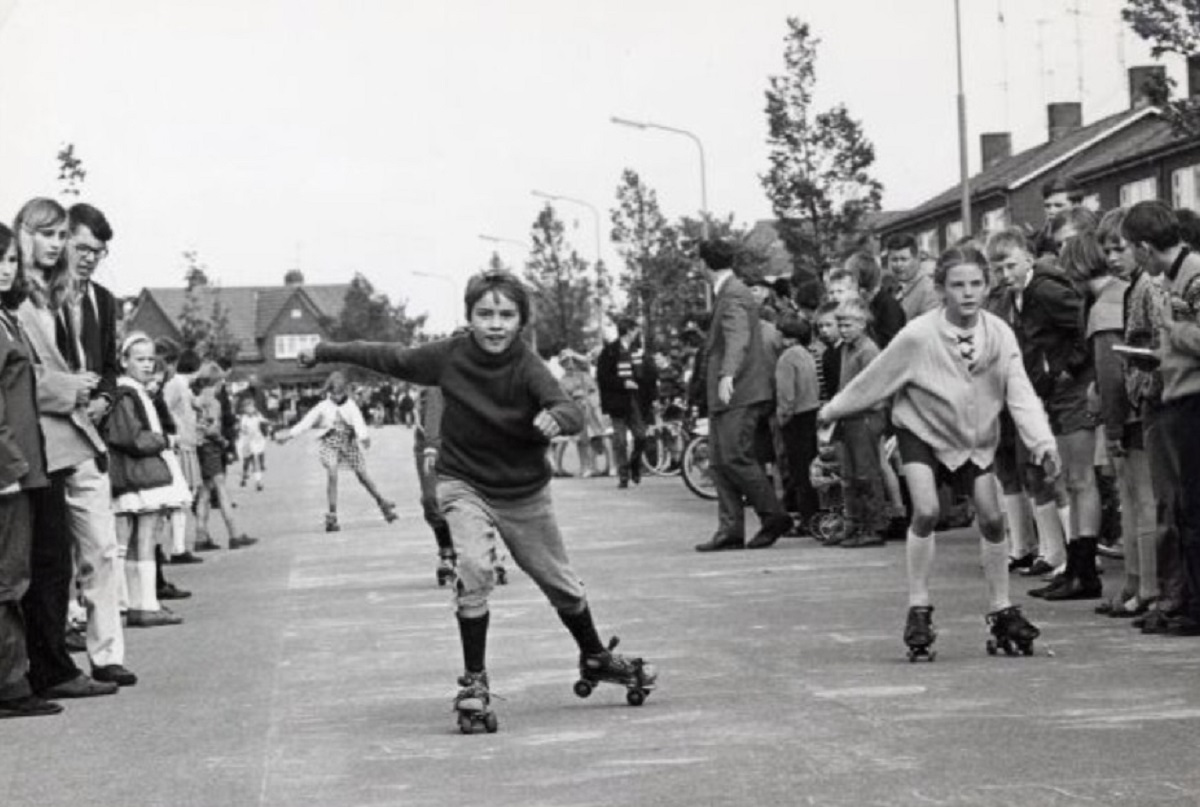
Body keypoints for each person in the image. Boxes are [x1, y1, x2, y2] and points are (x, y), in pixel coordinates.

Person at [296, 269, 656, 733]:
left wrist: (557, 418)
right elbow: (387, 355)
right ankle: (474, 681)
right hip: (463, 482)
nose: (495, 324)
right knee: (474, 567)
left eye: (506, 315)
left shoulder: (527, 365)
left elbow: (566, 406)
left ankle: (595, 656)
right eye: (485, 314)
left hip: (523, 491)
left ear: (521, 321)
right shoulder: (449, 356)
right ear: (469, 317)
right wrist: (325, 351)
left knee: (560, 582)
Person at [819, 245, 1061, 658]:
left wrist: (1042, 442)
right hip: (921, 428)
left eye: (976, 284)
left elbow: (1019, 391)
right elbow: (875, 379)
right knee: (927, 510)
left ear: (987, 286)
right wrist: (832, 411)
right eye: (957, 285)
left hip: (973, 434)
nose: (967, 293)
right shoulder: (918, 334)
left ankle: (1001, 607)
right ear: (941, 289)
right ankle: (919, 606)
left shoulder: (999, 333)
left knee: (991, 517)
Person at [15, 198, 128, 696]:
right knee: (48, 556)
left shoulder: (95, 299)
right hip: (43, 436)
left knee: (98, 548)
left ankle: (105, 656)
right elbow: (22, 373)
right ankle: (49, 661)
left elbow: (107, 367)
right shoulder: (22, 296)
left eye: (92, 250)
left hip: (83, 434)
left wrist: (103, 397)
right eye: (65, 240)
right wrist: (69, 389)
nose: (83, 256)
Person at [1123, 201, 1200, 635]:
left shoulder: (1194, 276)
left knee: (1193, 509)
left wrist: (1173, 330)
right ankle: (1186, 600)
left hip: (1194, 400)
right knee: (1184, 508)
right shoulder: (1177, 275)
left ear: (1145, 248)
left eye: (1131, 249)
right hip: (1180, 395)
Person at [0, 222, 63, 718]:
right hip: (8, 471)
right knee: (8, 578)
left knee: (14, 575)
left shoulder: (6, 318)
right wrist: (12, 466)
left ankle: (15, 679)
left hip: (20, 465)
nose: (5, 270)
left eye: (9, 260)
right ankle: (10, 686)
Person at [692, 239, 792, 552]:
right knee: (720, 460)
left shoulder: (733, 293)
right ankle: (730, 529)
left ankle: (773, 516)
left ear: (703, 263)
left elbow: (738, 338)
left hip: (739, 390)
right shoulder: (730, 290)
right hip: (731, 392)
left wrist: (727, 374)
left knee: (734, 456)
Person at [104, 333, 189, 628]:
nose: (148, 365)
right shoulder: (127, 393)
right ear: (124, 361)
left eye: (151, 359)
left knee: (135, 539)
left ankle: (134, 602)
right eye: (140, 359)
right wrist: (165, 440)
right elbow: (131, 437)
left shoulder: (131, 391)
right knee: (144, 537)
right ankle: (145, 604)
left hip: (135, 471)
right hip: (140, 471)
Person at [276, 371, 397, 532]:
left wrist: (364, 437)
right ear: (329, 391)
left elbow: (358, 421)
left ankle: (382, 502)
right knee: (332, 473)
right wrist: (289, 435)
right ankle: (332, 514)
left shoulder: (351, 405)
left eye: (340, 393)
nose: (337, 397)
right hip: (330, 444)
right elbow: (306, 422)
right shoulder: (323, 406)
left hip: (348, 444)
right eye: (334, 393)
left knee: (363, 475)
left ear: (345, 391)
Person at [192, 363, 256, 550]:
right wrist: (224, 441)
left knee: (204, 492)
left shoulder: (196, 400)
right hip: (212, 448)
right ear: (217, 382)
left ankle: (200, 535)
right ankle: (234, 534)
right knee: (222, 491)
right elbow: (212, 428)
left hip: (199, 448)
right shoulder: (214, 402)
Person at [157, 341, 204, 564]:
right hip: (180, 445)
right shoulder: (175, 384)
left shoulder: (180, 385)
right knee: (180, 498)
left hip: (186, 443)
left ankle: (176, 546)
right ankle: (175, 547)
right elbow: (164, 409)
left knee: (184, 497)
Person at [597, 317, 656, 489]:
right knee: (620, 440)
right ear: (629, 331)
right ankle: (623, 475)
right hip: (618, 402)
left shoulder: (638, 351)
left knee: (641, 437)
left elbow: (648, 375)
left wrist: (652, 367)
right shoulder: (609, 351)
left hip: (636, 400)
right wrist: (623, 383)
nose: (637, 333)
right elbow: (603, 378)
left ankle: (634, 464)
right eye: (635, 329)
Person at [775, 315, 820, 532]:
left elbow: (787, 396)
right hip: (812, 412)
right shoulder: (807, 355)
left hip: (796, 417)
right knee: (809, 469)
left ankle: (807, 519)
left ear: (789, 338)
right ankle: (813, 515)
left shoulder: (786, 359)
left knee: (799, 471)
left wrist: (782, 418)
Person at [885, 234, 941, 320]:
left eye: (904, 259)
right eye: (894, 260)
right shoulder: (889, 287)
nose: (898, 265)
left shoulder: (929, 291)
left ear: (916, 259)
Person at [237, 397, 268, 491]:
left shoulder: (257, 415)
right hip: (246, 442)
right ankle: (244, 475)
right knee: (246, 461)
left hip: (256, 441)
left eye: (251, 406)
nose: (250, 408)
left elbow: (264, 421)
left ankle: (258, 482)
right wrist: (244, 430)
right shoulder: (244, 418)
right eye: (247, 407)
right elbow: (242, 428)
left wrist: (268, 423)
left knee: (255, 460)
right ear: (244, 409)